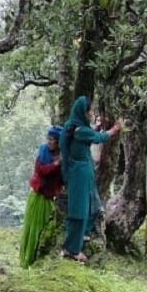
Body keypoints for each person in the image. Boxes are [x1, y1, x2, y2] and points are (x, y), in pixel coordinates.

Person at [59, 96, 122, 261]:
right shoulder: (81, 131)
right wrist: (114, 129)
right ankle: (71, 248)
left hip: (81, 171)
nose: (92, 113)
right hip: (79, 174)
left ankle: (82, 234)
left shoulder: (73, 126)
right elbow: (98, 138)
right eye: (91, 110)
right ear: (83, 112)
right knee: (79, 210)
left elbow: (89, 133)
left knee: (93, 204)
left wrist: (98, 127)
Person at [18, 126, 63, 268]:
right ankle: (28, 258)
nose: (49, 142)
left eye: (52, 139)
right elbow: (41, 170)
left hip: (50, 196)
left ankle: (39, 255)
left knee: (44, 227)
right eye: (48, 139)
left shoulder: (63, 154)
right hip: (38, 194)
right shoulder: (43, 151)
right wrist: (56, 164)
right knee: (33, 227)